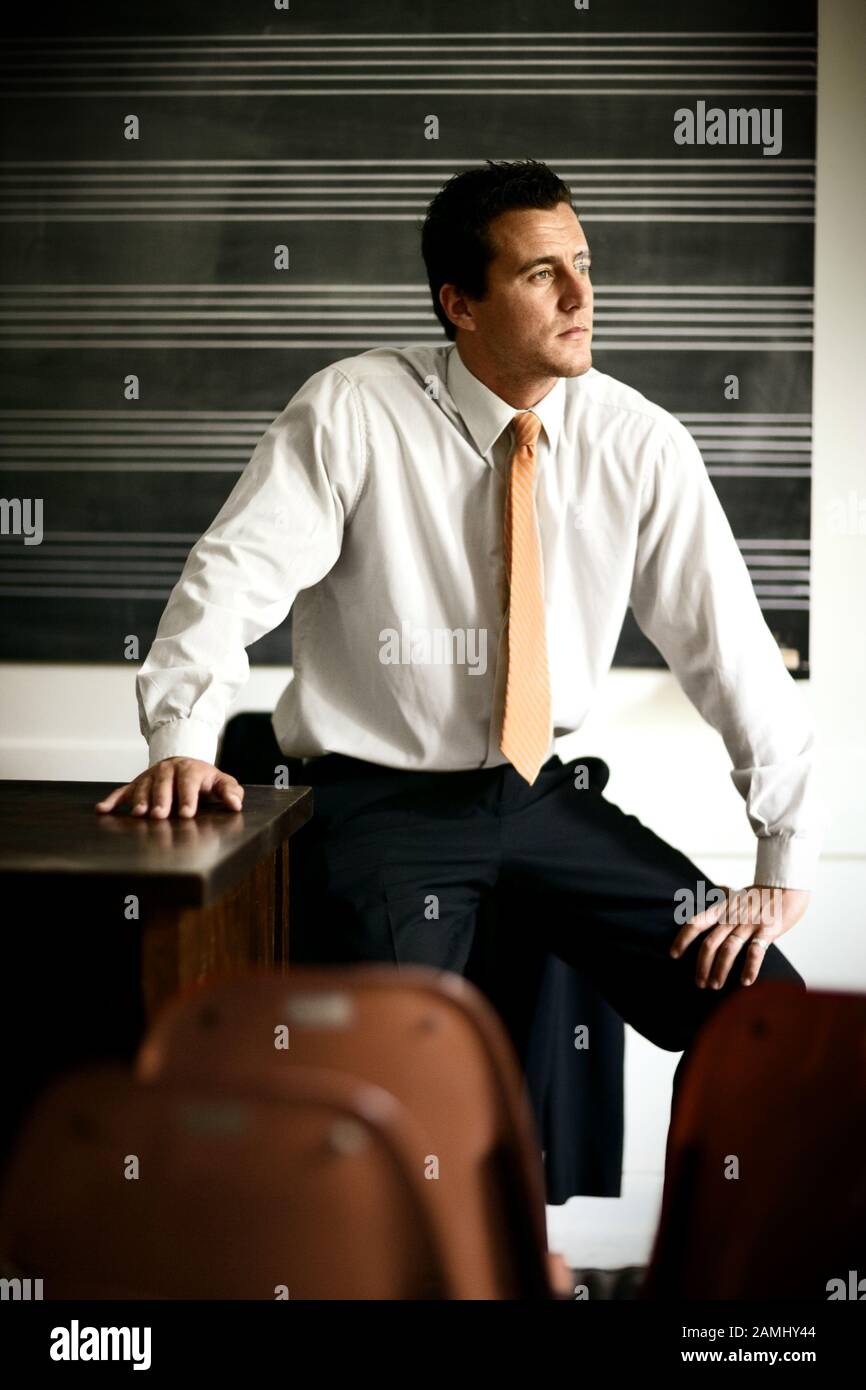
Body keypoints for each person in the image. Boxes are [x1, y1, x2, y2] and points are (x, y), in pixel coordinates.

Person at [96, 159, 822, 1104]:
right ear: (461, 304)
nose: (580, 295)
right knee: (396, 1080)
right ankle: (437, 1255)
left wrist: (783, 856)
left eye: (584, 264)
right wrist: (181, 739)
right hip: (376, 807)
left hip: (538, 800)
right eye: (539, 275)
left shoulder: (638, 441)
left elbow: (731, 651)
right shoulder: (354, 410)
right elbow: (233, 574)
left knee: (767, 1018)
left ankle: (695, 1254)